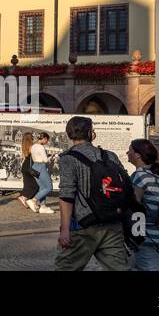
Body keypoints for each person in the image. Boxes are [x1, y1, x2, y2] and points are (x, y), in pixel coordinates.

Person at [54, 116, 129, 271]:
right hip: (112, 222)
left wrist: (65, 229)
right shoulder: (110, 156)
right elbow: (126, 184)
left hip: (83, 226)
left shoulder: (68, 158)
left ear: (69, 134)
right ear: (90, 133)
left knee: (65, 268)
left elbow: (67, 195)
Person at [126, 139, 159, 271]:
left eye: (130, 150)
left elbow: (134, 208)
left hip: (143, 236)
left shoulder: (139, 176)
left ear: (138, 155)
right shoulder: (156, 174)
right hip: (155, 233)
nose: (127, 152)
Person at [29, 131, 55, 213]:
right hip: (41, 167)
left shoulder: (33, 146)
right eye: (47, 140)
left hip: (34, 167)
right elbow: (45, 160)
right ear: (44, 138)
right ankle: (33, 200)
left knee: (42, 188)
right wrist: (52, 157)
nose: (47, 142)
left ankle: (43, 207)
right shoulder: (41, 147)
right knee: (49, 187)